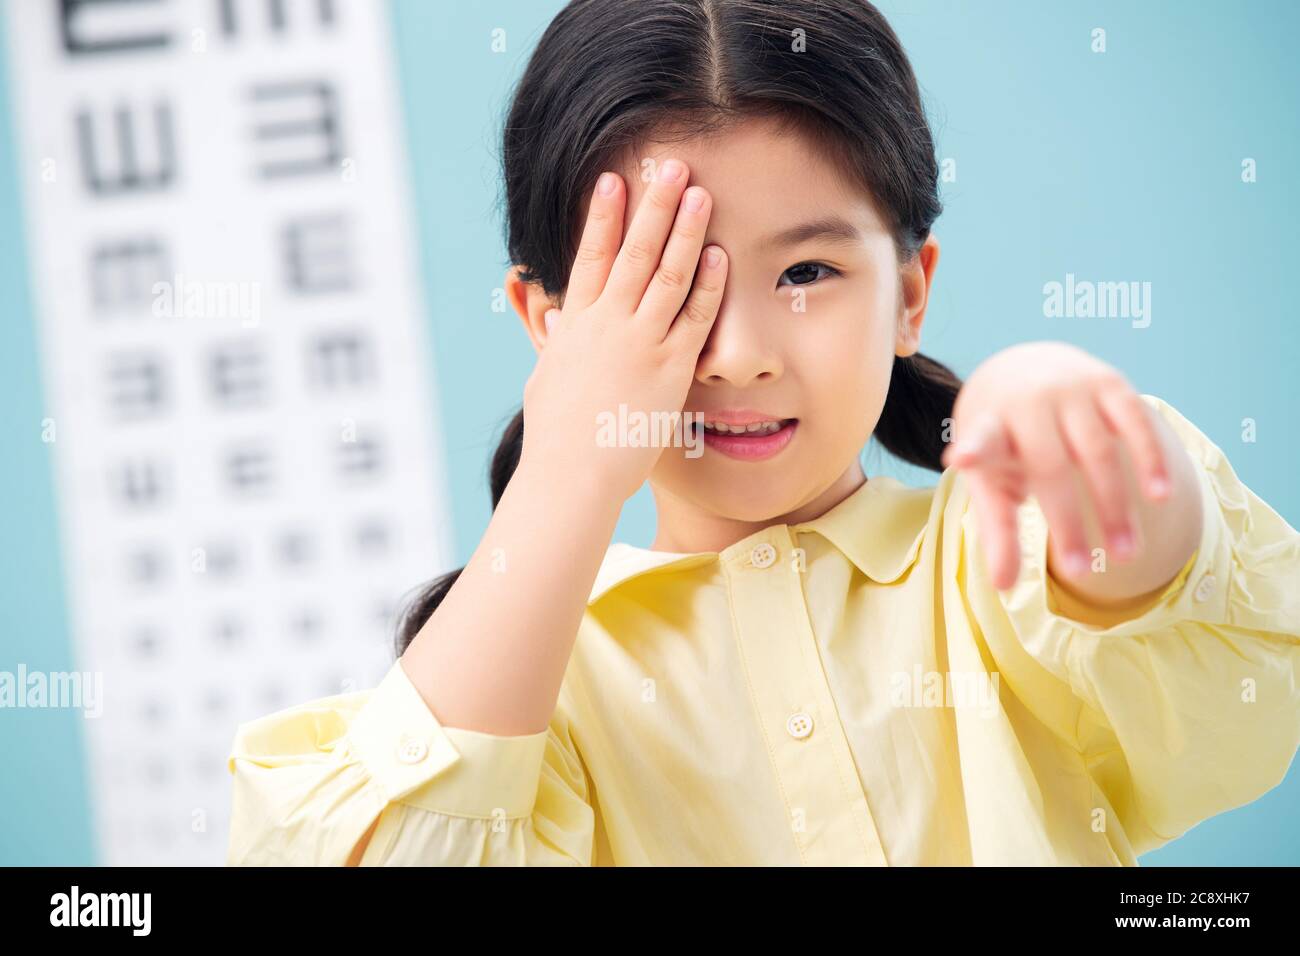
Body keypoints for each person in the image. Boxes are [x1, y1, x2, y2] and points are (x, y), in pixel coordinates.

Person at [225, 0, 1300, 866]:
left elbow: (1220, 682)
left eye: (807, 272)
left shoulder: (989, 560)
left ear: (910, 292)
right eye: (672, 284)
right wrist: (566, 470)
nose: (737, 351)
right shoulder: (527, 687)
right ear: (544, 322)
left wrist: (1080, 431)